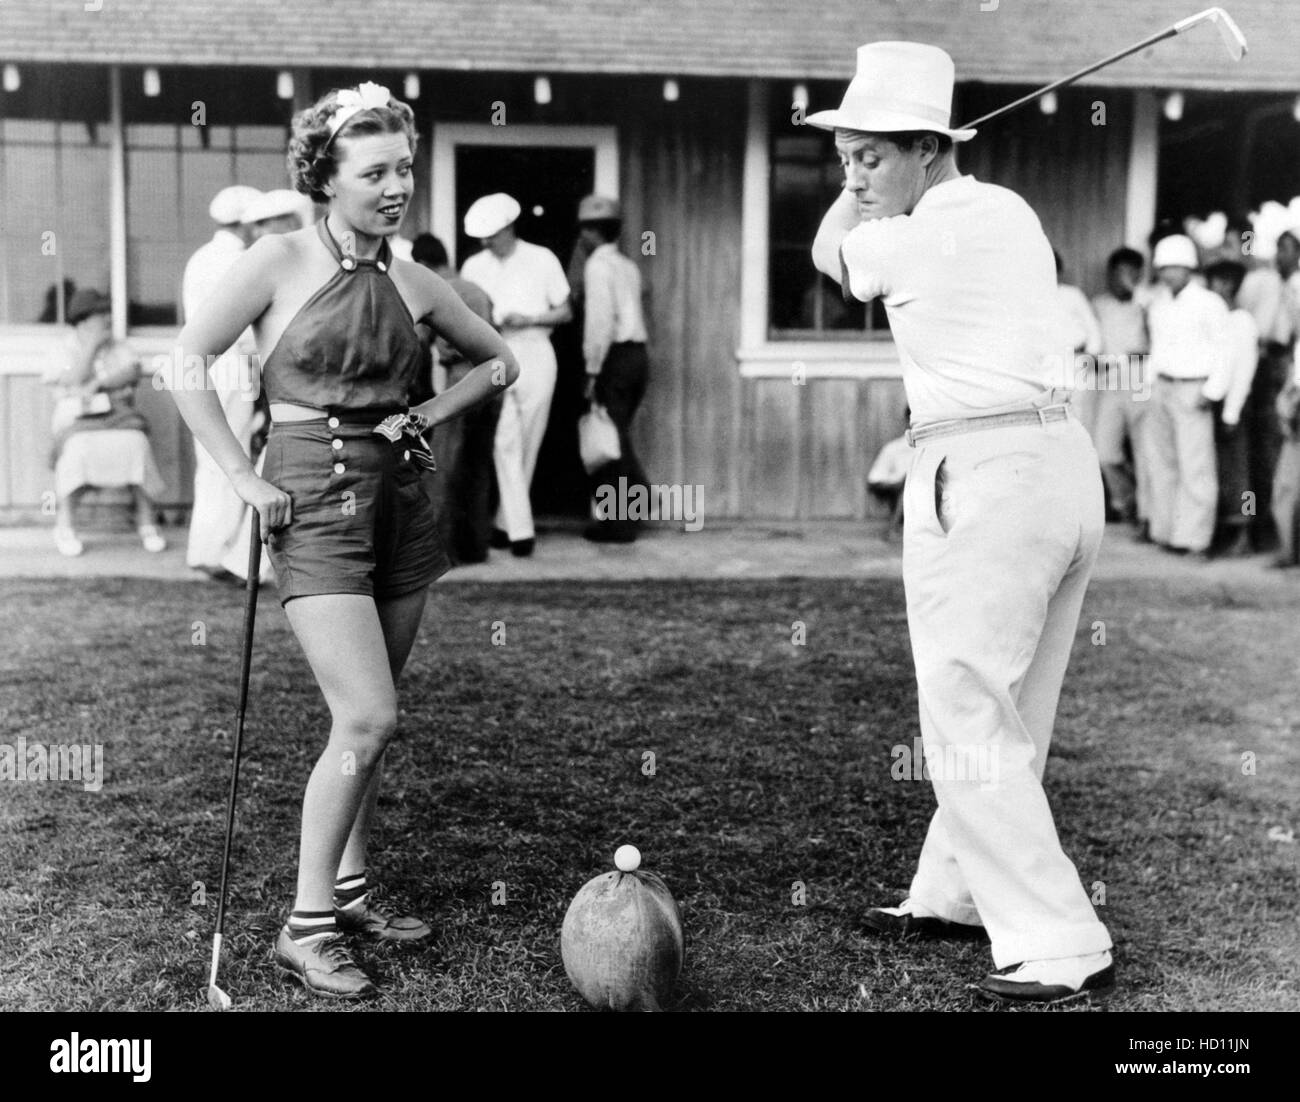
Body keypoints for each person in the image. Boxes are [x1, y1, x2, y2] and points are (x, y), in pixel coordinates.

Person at [168, 81, 518, 999]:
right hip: (309, 501)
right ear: (325, 177)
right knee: (368, 716)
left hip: (401, 498)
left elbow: (498, 360)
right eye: (375, 172)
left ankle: (352, 892)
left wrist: (427, 417)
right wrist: (242, 479)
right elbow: (183, 362)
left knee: (368, 715)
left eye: (404, 167)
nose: (397, 185)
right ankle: (306, 924)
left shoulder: (412, 278)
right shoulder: (277, 260)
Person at [809, 40, 1113, 1002]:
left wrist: (862, 201)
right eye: (844, 158)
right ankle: (953, 892)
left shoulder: (905, 236)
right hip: (1061, 471)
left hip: (981, 476)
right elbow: (881, 217)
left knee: (968, 708)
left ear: (929, 149)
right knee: (1009, 704)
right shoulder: (1008, 208)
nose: (854, 179)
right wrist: (891, 168)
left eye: (869, 157)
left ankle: (1059, 938)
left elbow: (830, 258)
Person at [459, 193, 572, 557]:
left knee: (528, 440)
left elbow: (565, 312)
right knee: (503, 439)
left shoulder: (542, 259)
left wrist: (530, 319)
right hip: (496, 355)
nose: (485, 242)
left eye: (491, 234)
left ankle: (505, 524)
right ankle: (522, 531)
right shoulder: (474, 266)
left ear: (508, 227)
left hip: (536, 351)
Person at [183, 184, 268, 584]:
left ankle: (206, 548)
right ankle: (217, 552)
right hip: (229, 368)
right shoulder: (237, 260)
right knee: (229, 458)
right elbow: (244, 329)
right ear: (246, 224)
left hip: (204, 366)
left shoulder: (200, 257)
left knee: (212, 460)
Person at [44, 289, 168, 557]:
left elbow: (131, 371)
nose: (108, 319)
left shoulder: (117, 345)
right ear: (84, 320)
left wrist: (99, 383)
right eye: (101, 314)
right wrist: (91, 348)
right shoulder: (62, 348)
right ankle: (65, 525)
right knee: (77, 452)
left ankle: (147, 521)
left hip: (117, 416)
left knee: (137, 444)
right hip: (76, 421)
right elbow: (73, 381)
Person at [411, 232, 503, 563]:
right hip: (494, 380)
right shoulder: (477, 289)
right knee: (478, 465)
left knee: (444, 464)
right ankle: (475, 547)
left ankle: (436, 550)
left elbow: (418, 343)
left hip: (461, 378)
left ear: (421, 263)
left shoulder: (435, 292)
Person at [1145, 234, 1231, 560]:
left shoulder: (1209, 302)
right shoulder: (1159, 304)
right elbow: (1157, 349)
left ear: (1189, 267)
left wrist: (1212, 391)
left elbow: (1225, 350)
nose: (1169, 273)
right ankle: (1167, 532)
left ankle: (1196, 539)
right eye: (1164, 267)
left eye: (1176, 267)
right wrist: (1147, 388)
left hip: (1193, 388)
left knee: (1195, 466)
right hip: (1161, 386)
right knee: (1163, 463)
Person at [577, 195, 650, 543]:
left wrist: (592, 371)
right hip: (637, 357)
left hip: (615, 359)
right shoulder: (628, 266)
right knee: (616, 436)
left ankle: (621, 523)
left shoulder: (597, 267)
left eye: (584, 229)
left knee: (609, 443)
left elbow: (600, 324)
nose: (581, 237)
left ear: (593, 232)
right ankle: (638, 501)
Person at [1089, 247, 1152, 530]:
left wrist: (1139, 294)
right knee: (1106, 452)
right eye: (1120, 273)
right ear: (1110, 274)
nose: (1125, 279)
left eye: (1132, 273)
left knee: (1146, 449)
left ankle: (1148, 516)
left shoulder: (1149, 301)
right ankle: (1127, 502)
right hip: (1110, 382)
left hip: (1140, 378)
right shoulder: (1097, 304)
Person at [1204, 260, 1260, 555]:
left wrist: (1232, 412)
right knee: (1224, 471)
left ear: (1226, 283)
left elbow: (1243, 370)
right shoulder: (1218, 317)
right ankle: (1230, 531)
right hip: (1217, 403)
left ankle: (1244, 535)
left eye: (1214, 281)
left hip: (1234, 405)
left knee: (1240, 472)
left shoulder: (1241, 320)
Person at [1054, 251, 1103, 439]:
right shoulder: (1030, 299)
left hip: (1078, 362)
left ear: (1059, 271)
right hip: (1050, 366)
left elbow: (1093, 328)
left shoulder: (1072, 294)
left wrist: (1091, 355)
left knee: (1082, 421)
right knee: (1055, 424)